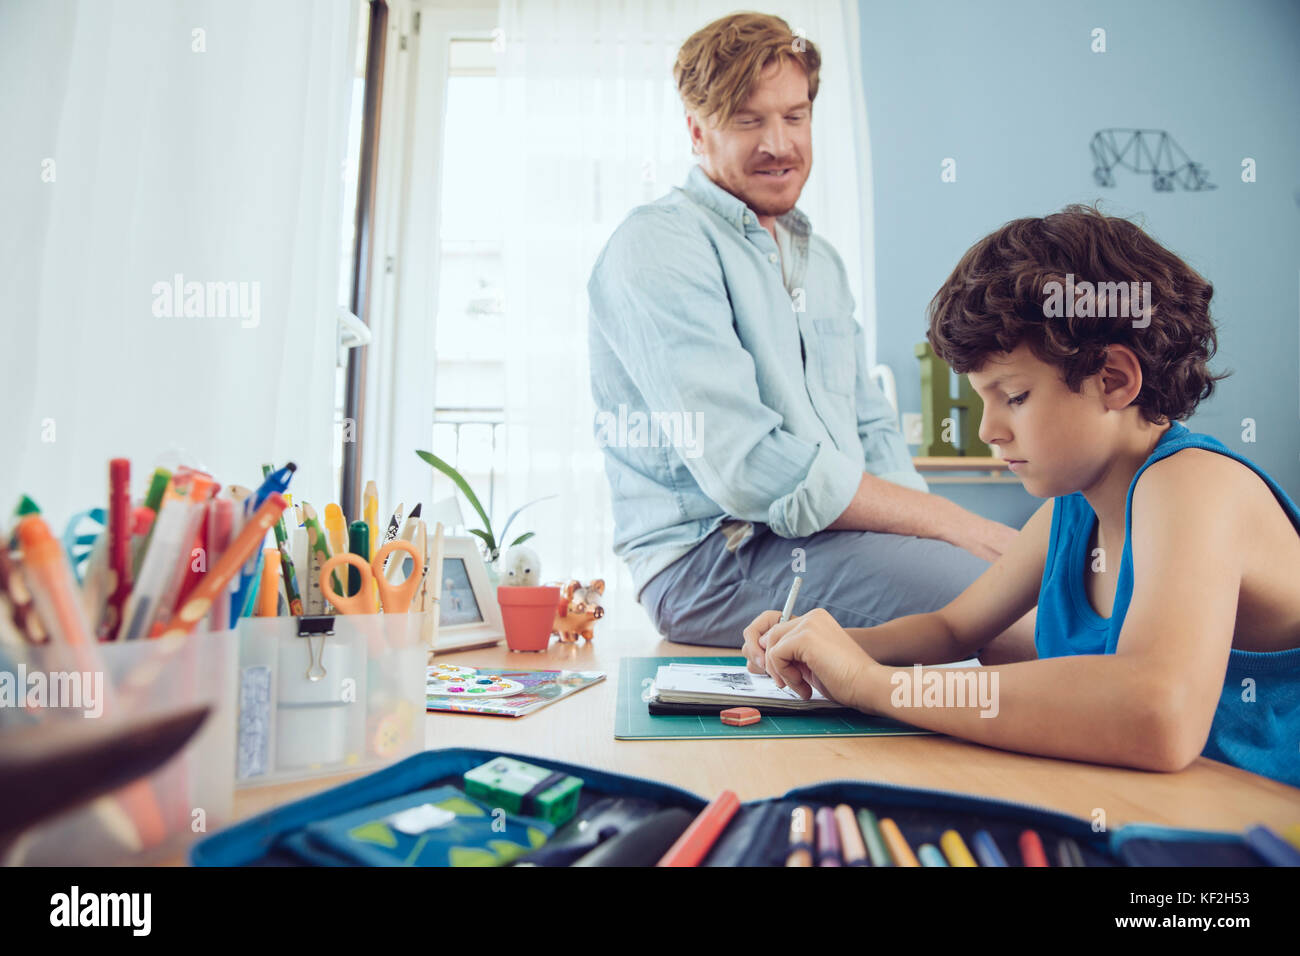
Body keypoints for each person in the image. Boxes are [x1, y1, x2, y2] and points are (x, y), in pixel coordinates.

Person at [743, 204, 1300, 785]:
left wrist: (875, 686)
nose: (988, 430)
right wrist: (822, 643)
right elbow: (954, 630)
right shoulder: (1074, 509)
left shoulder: (1194, 485)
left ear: (1114, 379)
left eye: (1013, 395)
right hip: (1168, 807)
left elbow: (1159, 714)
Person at [587, 12, 1031, 657]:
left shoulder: (818, 259)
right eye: (749, 119)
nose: (779, 143)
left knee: (1036, 584)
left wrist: (938, 535)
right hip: (713, 559)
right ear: (696, 131)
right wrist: (958, 526)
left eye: (795, 117)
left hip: (821, 539)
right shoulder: (657, 246)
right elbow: (747, 466)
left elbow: (871, 428)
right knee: (1012, 607)